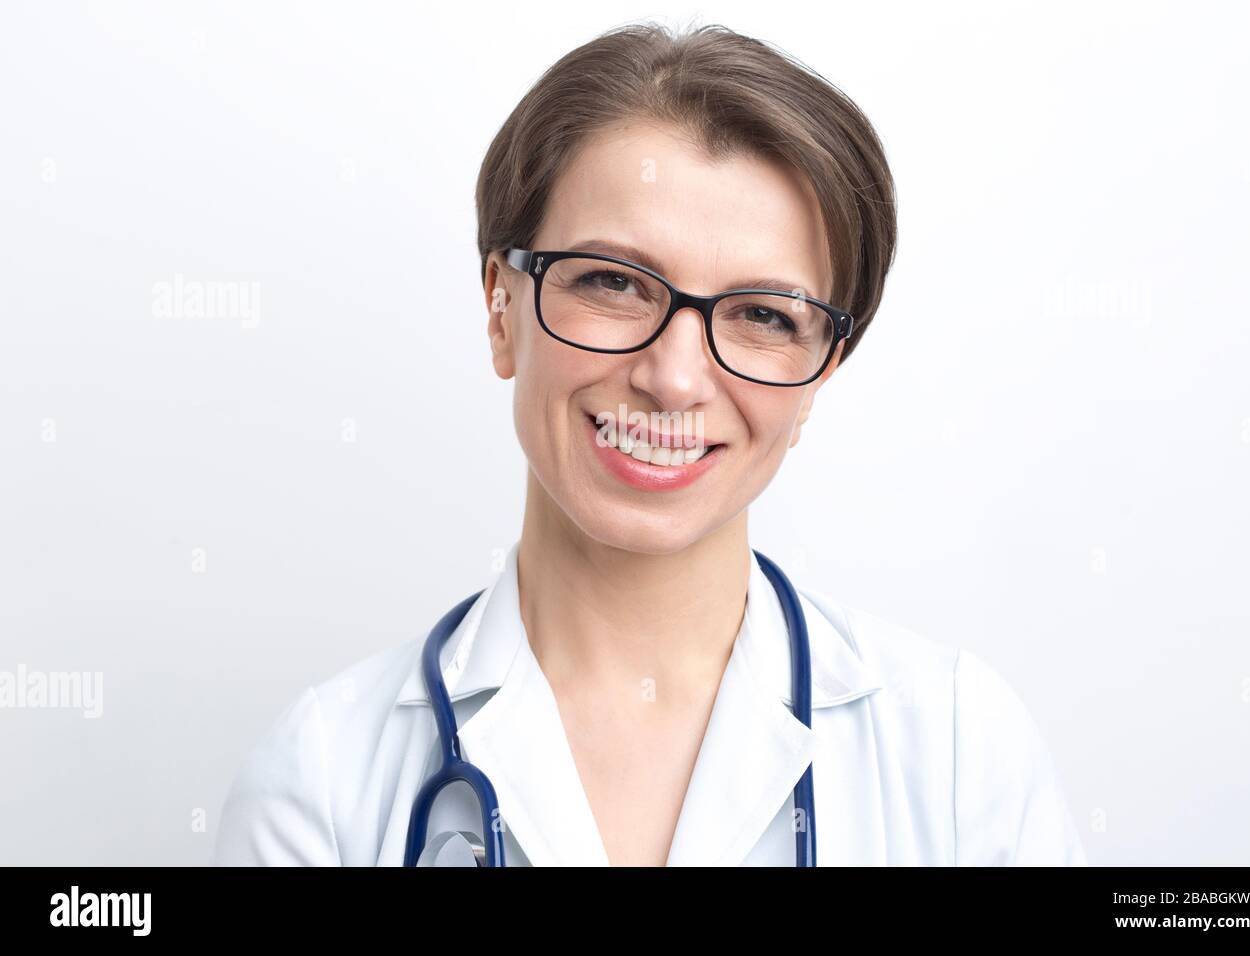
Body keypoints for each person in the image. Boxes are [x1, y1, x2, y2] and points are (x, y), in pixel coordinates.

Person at [212, 21, 1086, 867]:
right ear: (500, 307)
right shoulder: (322, 784)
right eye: (614, 282)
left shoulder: (962, 756)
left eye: (762, 316)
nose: (673, 377)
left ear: (822, 371)